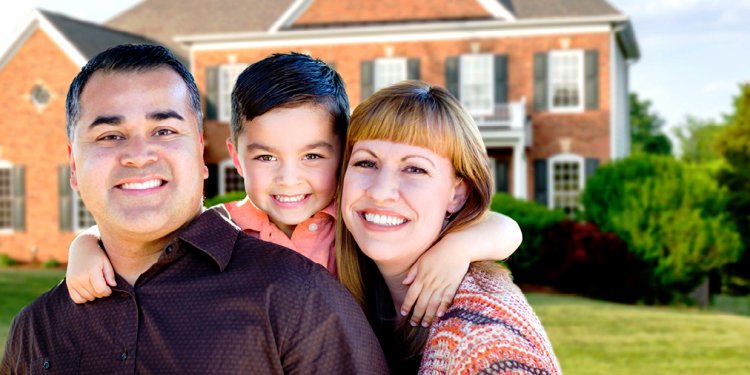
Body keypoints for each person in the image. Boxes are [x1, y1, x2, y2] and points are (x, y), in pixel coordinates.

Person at [1, 44, 388, 374]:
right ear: (73, 166)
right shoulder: (35, 331)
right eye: (110, 135)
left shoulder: (299, 292)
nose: (138, 156)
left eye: (165, 130)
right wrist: (83, 244)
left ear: (202, 153)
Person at [65, 52, 523, 327]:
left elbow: (504, 228)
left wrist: (456, 250)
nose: (289, 179)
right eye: (265, 158)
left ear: (343, 155)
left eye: (313, 156)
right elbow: (143, 240)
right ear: (236, 155)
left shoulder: (356, 226)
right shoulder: (218, 227)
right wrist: (85, 246)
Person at [337, 81, 562, 374]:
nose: (381, 192)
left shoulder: (484, 334)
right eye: (366, 163)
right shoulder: (342, 283)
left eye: (415, 169)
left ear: (457, 194)